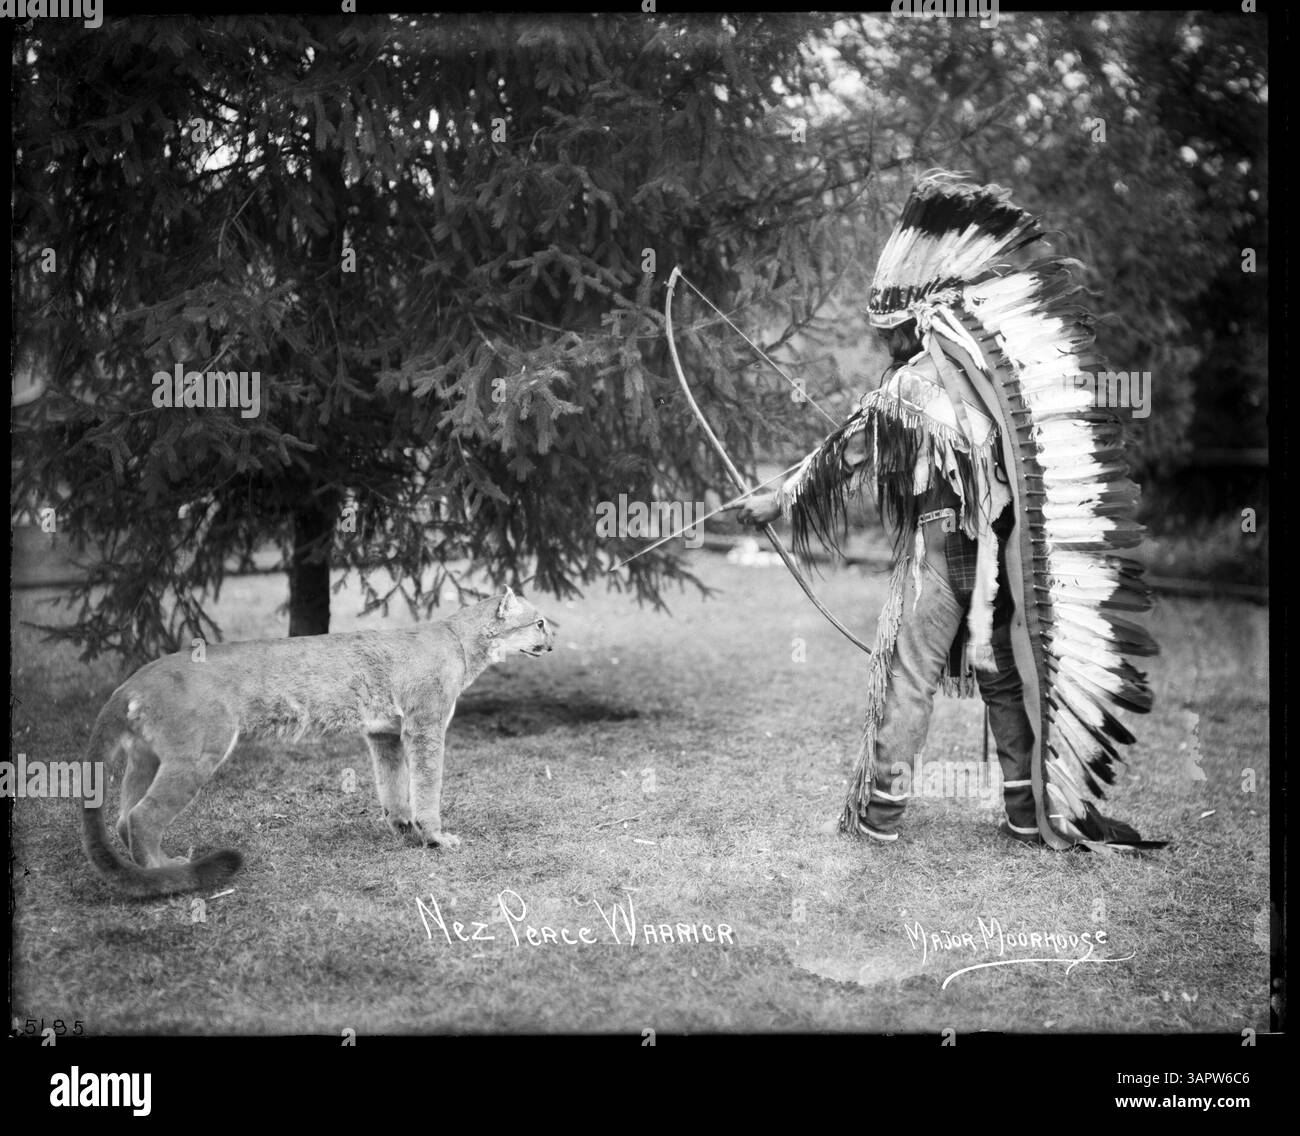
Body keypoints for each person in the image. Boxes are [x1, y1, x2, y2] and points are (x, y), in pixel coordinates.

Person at [739, 173, 1163, 852]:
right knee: (1002, 678)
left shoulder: (908, 386)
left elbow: (841, 454)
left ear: (912, 323)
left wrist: (776, 498)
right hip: (1002, 563)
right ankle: (1027, 810)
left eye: (891, 333)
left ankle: (880, 815)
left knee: (910, 680)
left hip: (940, 560)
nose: (889, 346)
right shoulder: (997, 386)